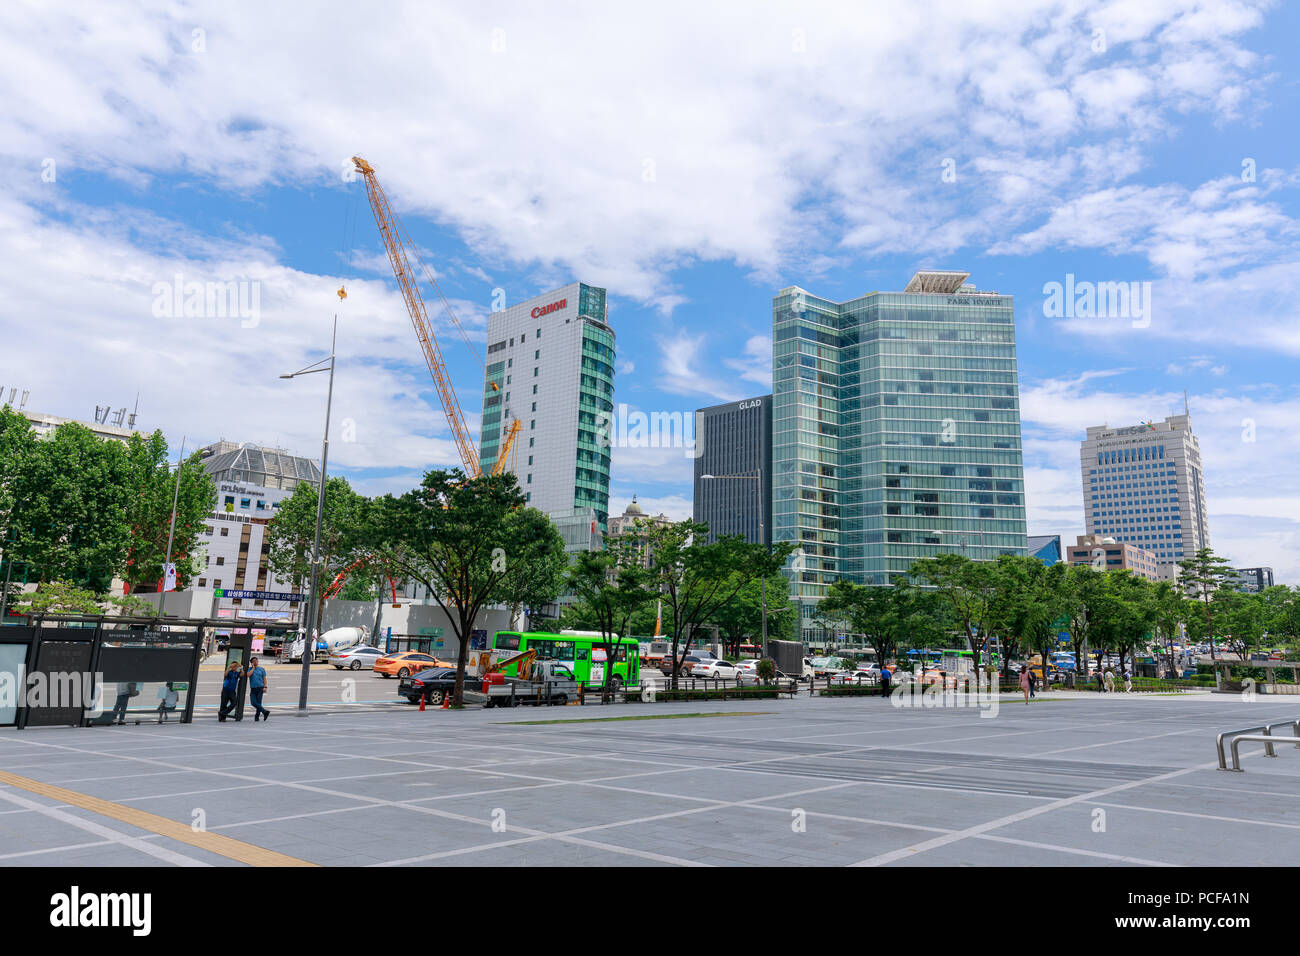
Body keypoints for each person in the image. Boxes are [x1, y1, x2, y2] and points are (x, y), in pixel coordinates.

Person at [245, 656, 269, 721]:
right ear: (251, 663)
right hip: (253, 688)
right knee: (253, 702)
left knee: (259, 703)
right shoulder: (250, 669)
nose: (256, 662)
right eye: (254, 661)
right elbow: (248, 675)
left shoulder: (262, 669)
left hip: (260, 688)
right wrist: (253, 668)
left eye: (256, 661)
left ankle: (257, 717)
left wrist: (265, 687)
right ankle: (265, 712)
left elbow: (264, 678)